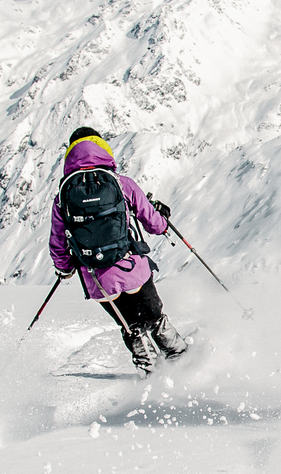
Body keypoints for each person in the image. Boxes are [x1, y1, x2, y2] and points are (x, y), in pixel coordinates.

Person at [49, 127, 187, 373]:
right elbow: (154, 224)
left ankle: (151, 374)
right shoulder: (122, 184)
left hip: (97, 280)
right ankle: (185, 363)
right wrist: (163, 219)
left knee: (130, 325)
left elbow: (58, 242)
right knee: (155, 318)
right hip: (131, 269)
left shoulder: (63, 196)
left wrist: (65, 269)